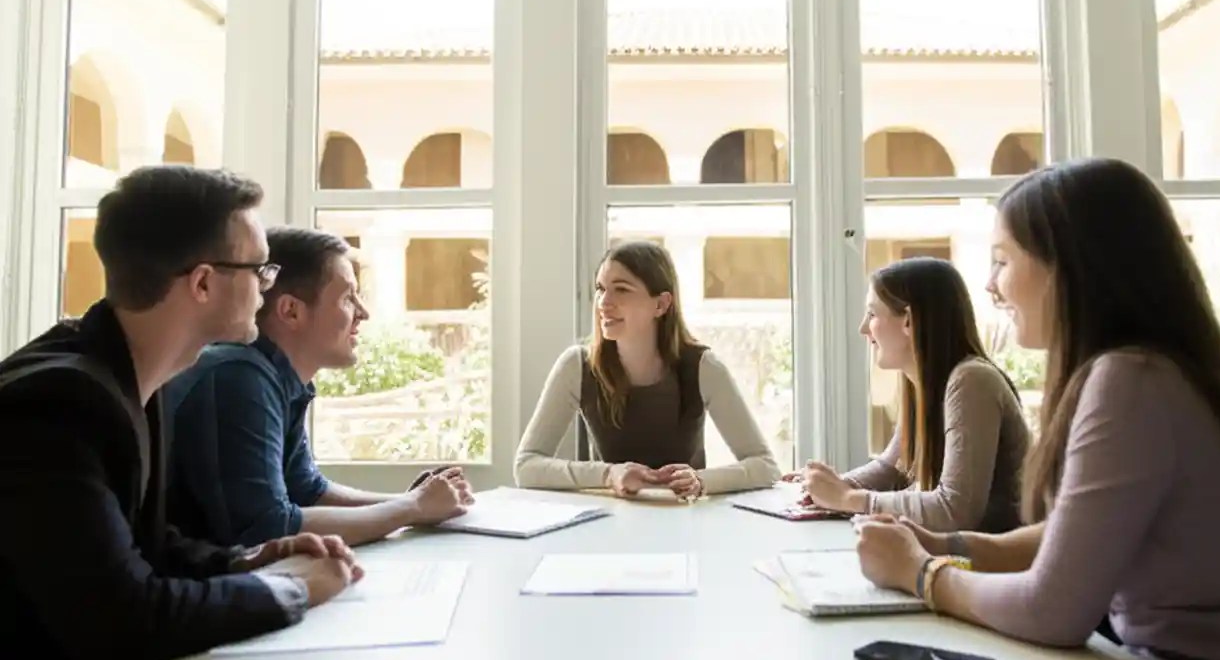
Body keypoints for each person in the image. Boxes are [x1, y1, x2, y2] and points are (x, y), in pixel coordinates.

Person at [857, 158, 1220, 660]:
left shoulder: (1133, 381)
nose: (990, 285)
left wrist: (921, 573)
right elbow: (1074, 534)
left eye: (1002, 261)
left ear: (1067, 268)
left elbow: (1052, 610)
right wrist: (946, 546)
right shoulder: (1152, 371)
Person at [0, 166, 364, 660]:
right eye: (260, 270)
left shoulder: (128, 369)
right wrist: (293, 588)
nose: (267, 287)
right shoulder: (59, 404)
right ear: (203, 283)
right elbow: (125, 618)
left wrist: (245, 560)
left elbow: (143, 547)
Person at [164, 227, 473, 549]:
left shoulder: (274, 375)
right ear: (291, 311)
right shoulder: (238, 377)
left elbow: (307, 491)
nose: (363, 313)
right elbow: (268, 528)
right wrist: (411, 508)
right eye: (347, 298)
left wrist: (412, 502)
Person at [514, 240, 781, 498]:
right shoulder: (577, 366)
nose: (603, 302)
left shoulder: (704, 368)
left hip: (683, 519)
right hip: (609, 520)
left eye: (621, 289)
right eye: (600, 288)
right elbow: (526, 466)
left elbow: (765, 466)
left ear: (661, 304)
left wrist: (701, 480)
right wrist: (608, 474)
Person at [789, 257, 1028, 533]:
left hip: (989, 556)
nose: (863, 328)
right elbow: (891, 469)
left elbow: (955, 510)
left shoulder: (972, 381)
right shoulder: (924, 382)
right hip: (951, 552)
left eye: (872, 314)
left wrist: (847, 498)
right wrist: (832, 487)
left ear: (909, 321)